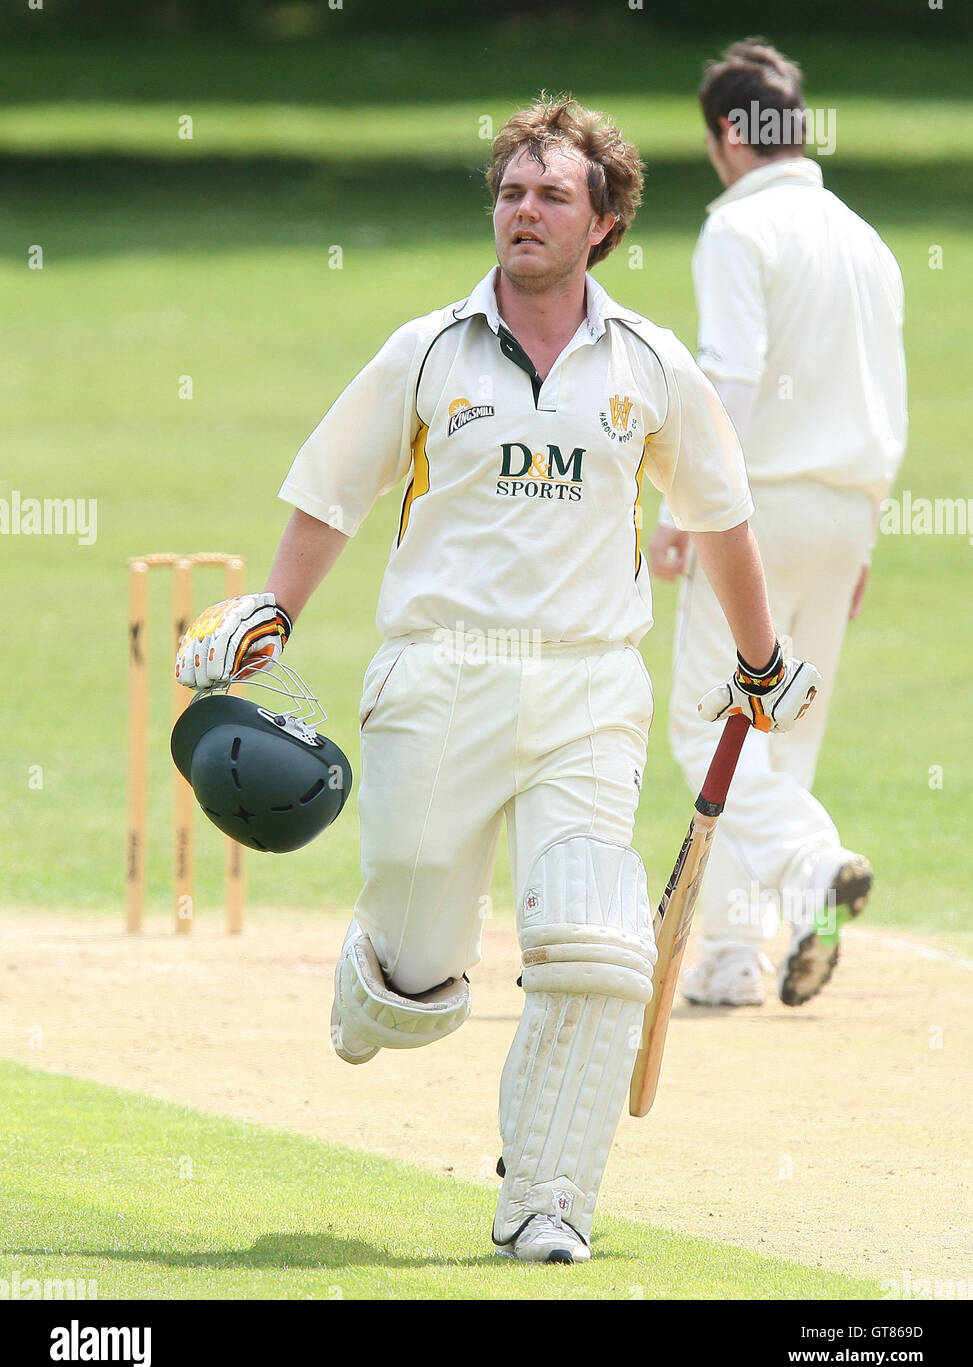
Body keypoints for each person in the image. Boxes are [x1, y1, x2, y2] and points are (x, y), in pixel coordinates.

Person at [175, 96, 819, 1263]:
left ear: (603, 220)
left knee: (593, 946)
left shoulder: (651, 365)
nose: (523, 211)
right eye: (511, 193)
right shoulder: (425, 349)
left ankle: (547, 1202)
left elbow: (720, 518)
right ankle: (379, 980)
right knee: (419, 978)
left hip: (587, 687)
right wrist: (272, 610)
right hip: (439, 675)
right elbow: (333, 492)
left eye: (551, 195)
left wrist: (760, 658)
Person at [649, 40, 907, 1009]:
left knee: (706, 720)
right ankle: (729, 954)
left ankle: (810, 867)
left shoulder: (737, 228)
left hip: (757, 509)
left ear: (726, 133)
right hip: (845, 506)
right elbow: (893, 396)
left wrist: (690, 506)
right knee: (777, 728)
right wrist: (867, 534)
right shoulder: (863, 238)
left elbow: (733, 377)